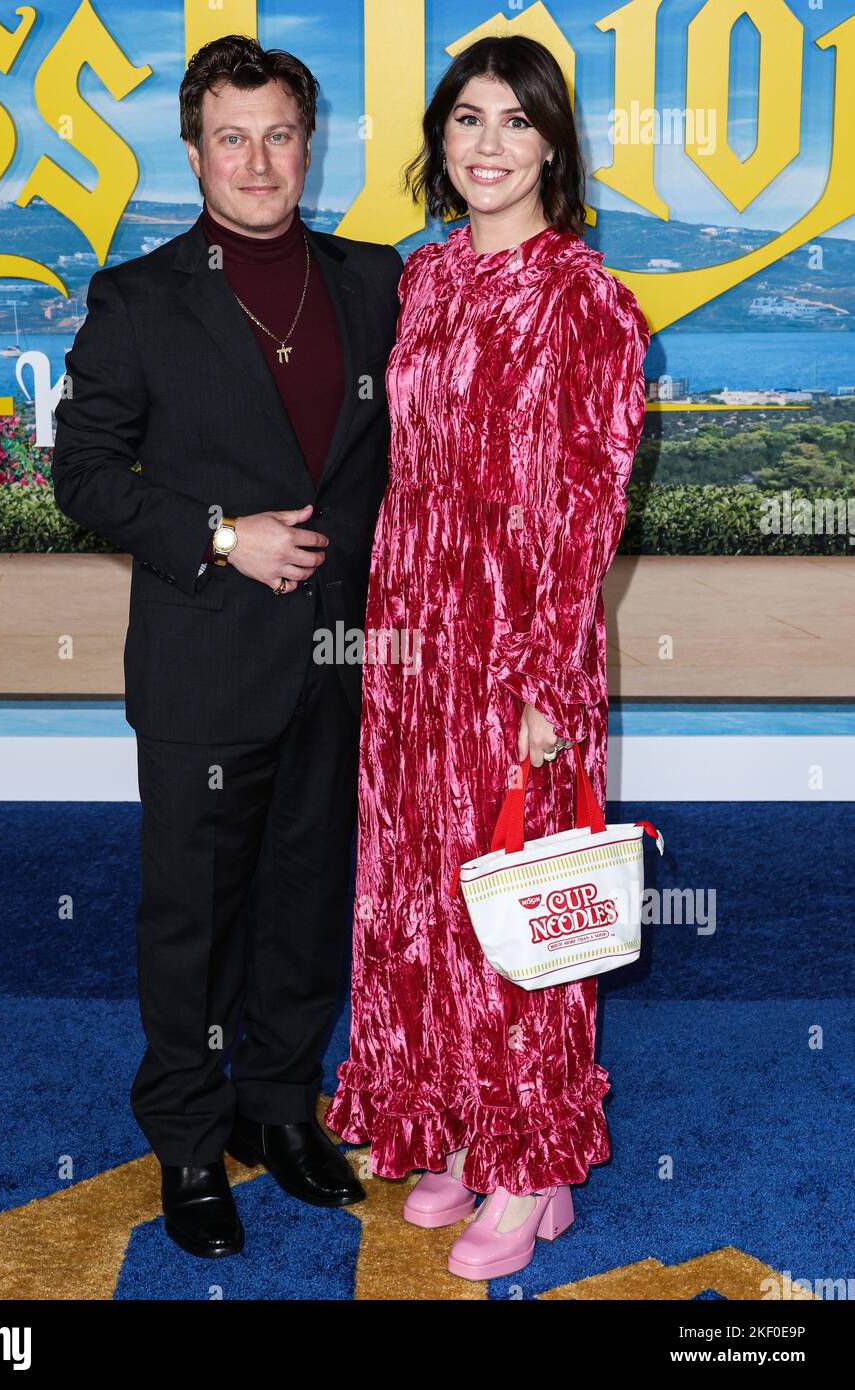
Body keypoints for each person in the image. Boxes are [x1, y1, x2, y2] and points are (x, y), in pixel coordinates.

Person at [51, 34, 403, 1259]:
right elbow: (82, 473)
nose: (259, 160)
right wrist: (216, 534)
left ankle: (279, 1103)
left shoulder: (375, 280)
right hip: (206, 660)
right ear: (194, 150)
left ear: (311, 144)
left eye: (280, 134)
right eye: (232, 136)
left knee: (308, 897)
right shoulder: (141, 298)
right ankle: (192, 1140)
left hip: (338, 659)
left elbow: (403, 462)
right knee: (193, 916)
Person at [324, 33, 650, 1281]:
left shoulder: (588, 302)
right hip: (415, 639)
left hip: (521, 649)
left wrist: (547, 684)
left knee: (528, 896)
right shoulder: (429, 281)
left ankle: (534, 1160)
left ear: (555, 146)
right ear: (439, 140)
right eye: (467, 120)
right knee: (424, 894)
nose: (489, 145)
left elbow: (585, 507)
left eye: (517, 122)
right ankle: (459, 1120)